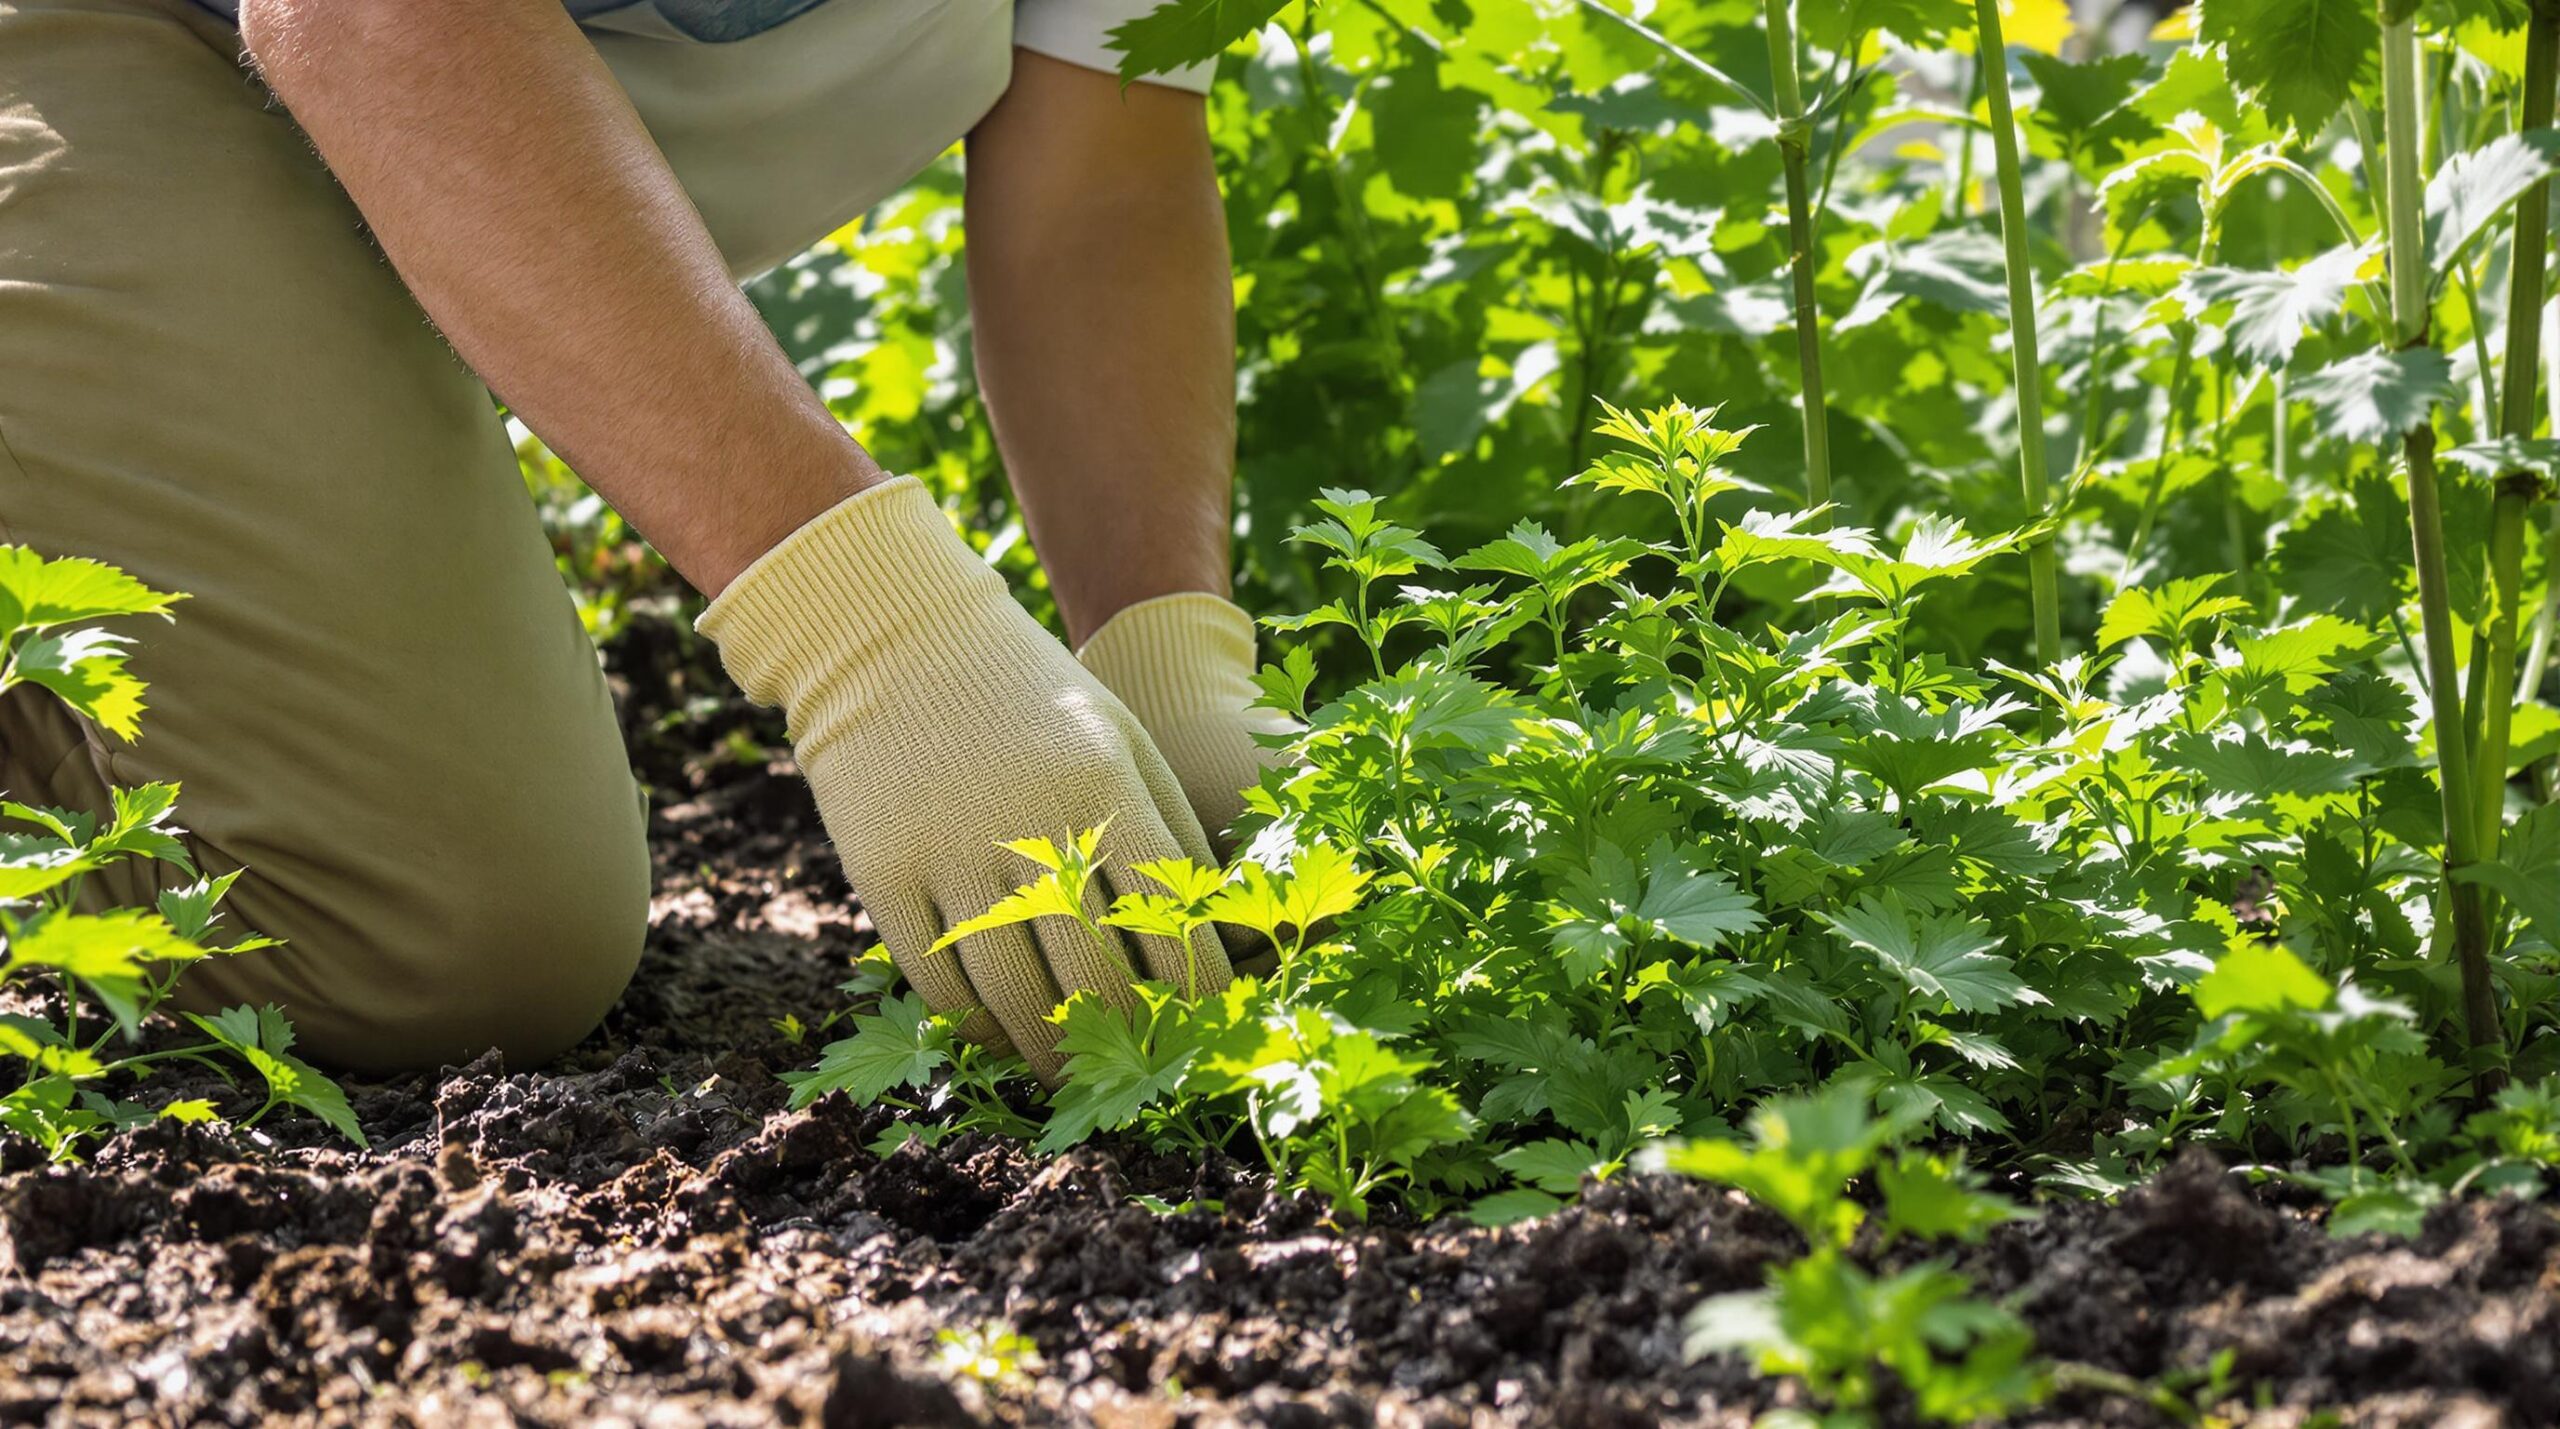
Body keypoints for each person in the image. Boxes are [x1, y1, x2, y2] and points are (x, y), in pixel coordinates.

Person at [0, 0, 1288, 1082]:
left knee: (459, 918)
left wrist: (1163, 649)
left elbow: (1104, 166)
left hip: (374, 174)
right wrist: (869, 631)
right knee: (434, 929)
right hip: (111, 48)